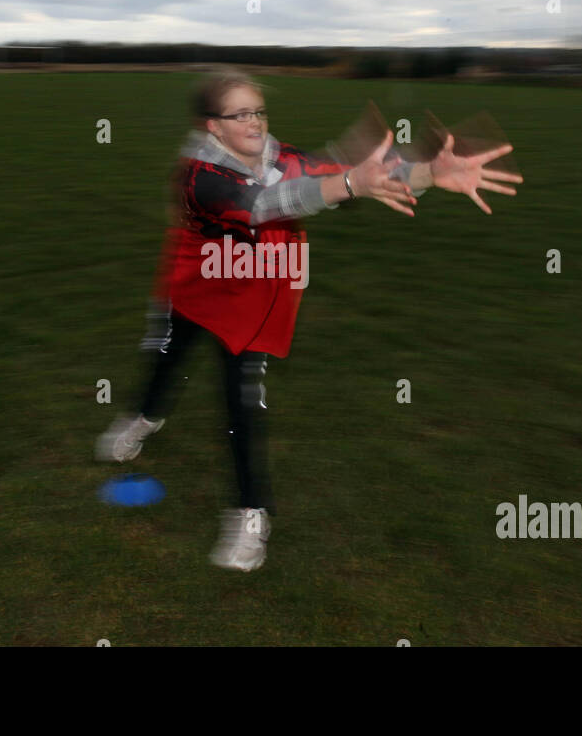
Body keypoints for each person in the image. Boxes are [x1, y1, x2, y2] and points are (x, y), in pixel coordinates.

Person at [96, 69, 522, 571]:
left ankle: (251, 514)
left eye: (258, 111)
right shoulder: (199, 175)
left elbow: (344, 179)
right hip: (197, 284)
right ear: (212, 126)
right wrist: (345, 180)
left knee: (240, 402)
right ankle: (144, 419)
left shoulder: (283, 158)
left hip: (249, 298)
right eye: (241, 114)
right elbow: (265, 205)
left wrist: (427, 172)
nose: (255, 122)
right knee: (167, 360)